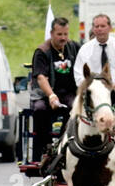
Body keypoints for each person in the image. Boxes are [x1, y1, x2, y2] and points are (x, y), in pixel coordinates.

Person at [30, 16, 80, 160]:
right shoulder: (42, 51)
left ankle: (64, 143)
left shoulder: (74, 47)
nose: (63, 38)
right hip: (45, 94)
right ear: (52, 33)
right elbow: (41, 77)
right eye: (59, 34)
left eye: (65, 34)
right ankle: (44, 148)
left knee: (75, 108)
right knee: (40, 110)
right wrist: (51, 96)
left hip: (68, 93)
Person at [74, 13, 115, 88]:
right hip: (93, 93)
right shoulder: (85, 49)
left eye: (103, 26)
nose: (99, 29)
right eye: (97, 26)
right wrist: (89, 87)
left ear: (110, 27)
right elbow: (78, 74)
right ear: (93, 29)